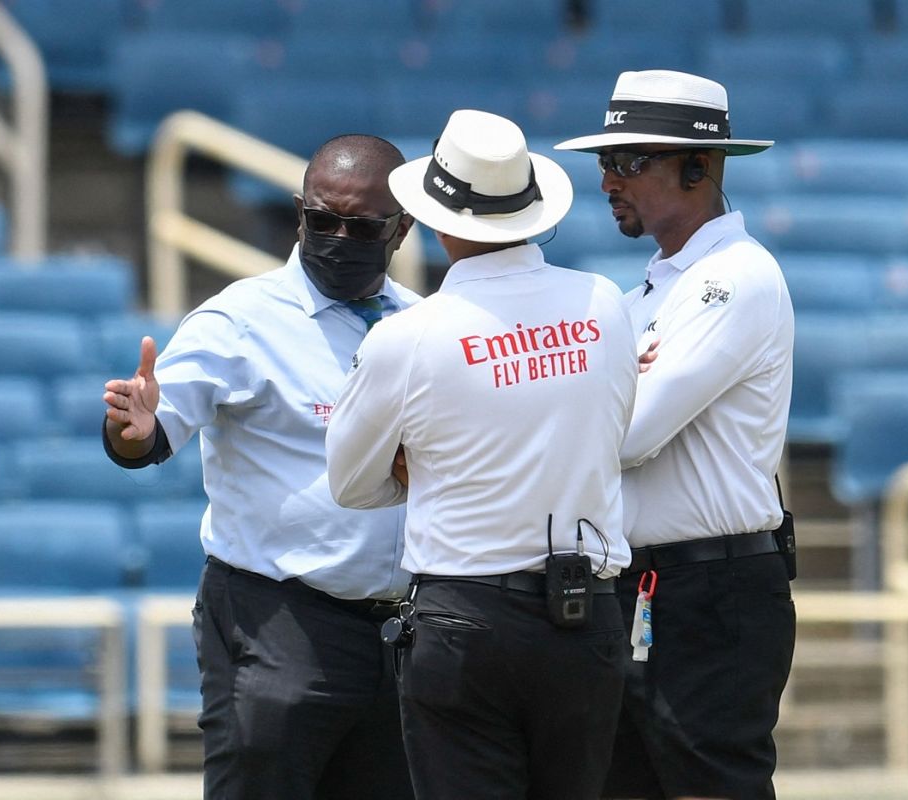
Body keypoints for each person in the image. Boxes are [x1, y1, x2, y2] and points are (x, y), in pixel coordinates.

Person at [326, 109, 639, 800]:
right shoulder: (604, 304)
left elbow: (348, 482)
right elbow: (608, 429)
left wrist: (424, 471)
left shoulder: (407, 337)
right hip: (585, 612)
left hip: (465, 617)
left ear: (432, 217)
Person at [101, 135, 420, 800]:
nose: (338, 238)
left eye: (362, 226)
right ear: (299, 212)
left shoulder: (422, 325)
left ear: (402, 228)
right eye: (322, 219)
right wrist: (132, 428)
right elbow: (149, 436)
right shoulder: (239, 319)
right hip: (280, 623)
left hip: (402, 633)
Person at [555, 69, 797, 800]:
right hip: (650, 585)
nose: (608, 180)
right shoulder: (647, 295)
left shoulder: (736, 278)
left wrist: (603, 390)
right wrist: (607, 388)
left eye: (629, 161)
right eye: (606, 161)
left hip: (707, 590)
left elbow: (629, 434)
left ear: (698, 167)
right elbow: (607, 421)